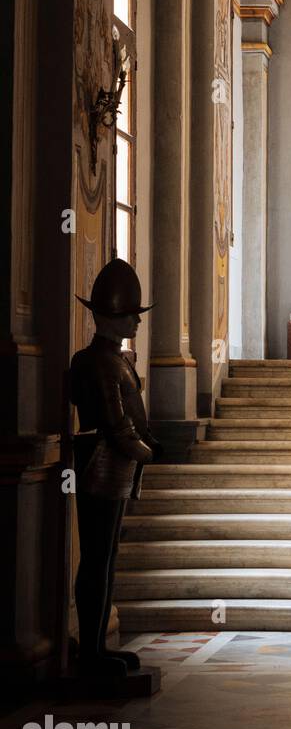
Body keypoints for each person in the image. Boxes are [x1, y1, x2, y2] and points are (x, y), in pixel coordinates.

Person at [70, 258, 160, 677]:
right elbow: (114, 423)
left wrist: (142, 445)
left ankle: (97, 647)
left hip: (118, 467)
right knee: (95, 558)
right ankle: (89, 653)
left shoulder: (119, 360)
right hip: (100, 466)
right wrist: (147, 452)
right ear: (107, 317)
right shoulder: (93, 361)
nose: (135, 322)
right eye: (129, 315)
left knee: (107, 558)